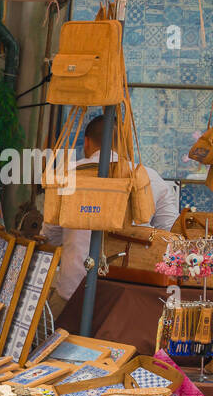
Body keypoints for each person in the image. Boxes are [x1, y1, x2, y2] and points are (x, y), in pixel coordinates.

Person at [43, 114, 178, 314]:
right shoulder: (148, 178)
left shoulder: (66, 176)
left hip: (73, 292)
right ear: (126, 145)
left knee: (60, 342)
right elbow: (170, 235)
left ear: (87, 142)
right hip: (128, 297)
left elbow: (50, 235)